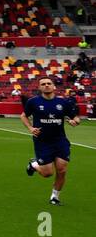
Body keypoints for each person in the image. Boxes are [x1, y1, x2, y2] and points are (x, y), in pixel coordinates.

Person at [23, 76, 79, 205]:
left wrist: (74, 121)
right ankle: (34, 165)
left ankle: (55, 197)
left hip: (60, 140)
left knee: (62, 169)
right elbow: (24, 116)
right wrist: (30, 128)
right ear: (39, 87)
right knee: (47, 173)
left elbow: (76, 118)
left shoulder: (63, 102)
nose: (46, 85)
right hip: (42, 141)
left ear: (54, 86)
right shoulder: (33, 102)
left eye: (49, 83)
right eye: (43, 84)